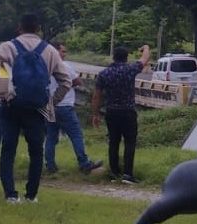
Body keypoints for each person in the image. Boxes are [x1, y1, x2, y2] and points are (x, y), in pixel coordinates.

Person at [0, 14, 72, 203]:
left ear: (19, 28)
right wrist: (51, 102)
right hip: (38, 106)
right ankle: (31, 196)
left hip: (12, 104)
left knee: (8, 149)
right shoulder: (49, 50)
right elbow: (66, 82)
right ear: (38, 29)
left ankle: (10, 195)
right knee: (36, 151)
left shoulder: (8, 47)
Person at [92, 44, 150, 184]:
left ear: (113, 57)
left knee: (113, 142)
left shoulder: (104, 73)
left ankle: (114, 172)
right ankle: (128, 174)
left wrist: (95, 114)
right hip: (128, 111)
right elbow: (145, 58)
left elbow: (96, 96)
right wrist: (146, 48)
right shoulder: (130, 69)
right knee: (130, 142)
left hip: (111, 111)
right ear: (126, 58)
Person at [44, 41, 102, 175]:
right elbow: (77, 81)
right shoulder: (64, 66)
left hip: (50, 106)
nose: (65, 54)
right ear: (55, 51)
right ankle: (84, 163)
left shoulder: (45, 67)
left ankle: (50, 166)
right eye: (63, 51)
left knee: (51, 137)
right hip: (64, 106)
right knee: (76, 135)